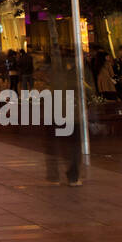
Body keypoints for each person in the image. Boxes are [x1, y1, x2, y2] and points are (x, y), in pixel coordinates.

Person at [44, 49, 82, 185]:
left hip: (58, 114)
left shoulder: (51, 73)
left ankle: (54, 176)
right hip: (69, 115)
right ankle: (71, 176)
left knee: (55, 146)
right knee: (72, 147)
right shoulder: (75, 73)